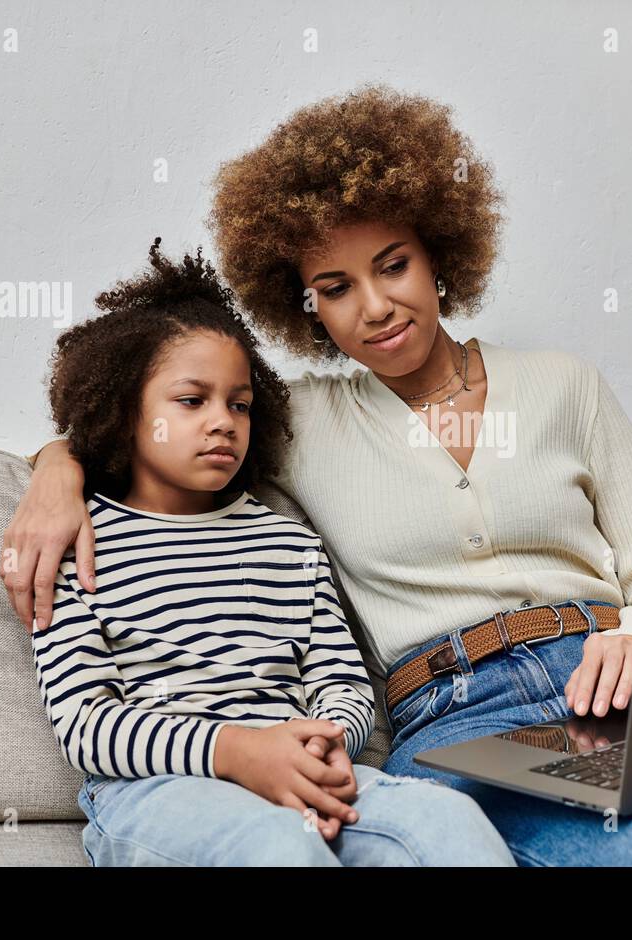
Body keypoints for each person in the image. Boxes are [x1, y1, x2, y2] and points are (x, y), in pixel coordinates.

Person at [5, 83, 632, 866]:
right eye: (335, 286)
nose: (376, 307)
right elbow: (158, 417)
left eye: (394, 265)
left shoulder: (564, 385)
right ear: (303, 304)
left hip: (630, 675)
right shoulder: (296, 423)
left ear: (440, 254)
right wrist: (57, 468)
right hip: (465, 714)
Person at [27, 237, 515, 866]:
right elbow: (85, 724)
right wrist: (236, 751)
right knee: (280, 846)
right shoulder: (77, 542)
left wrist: (324, 740)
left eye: (240, 404)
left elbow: (341, 677)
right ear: (123, 413)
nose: (223, 420)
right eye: (190, 400)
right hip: (157, 792)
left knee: (445, 821)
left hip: (302, 768)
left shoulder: (286, 541)